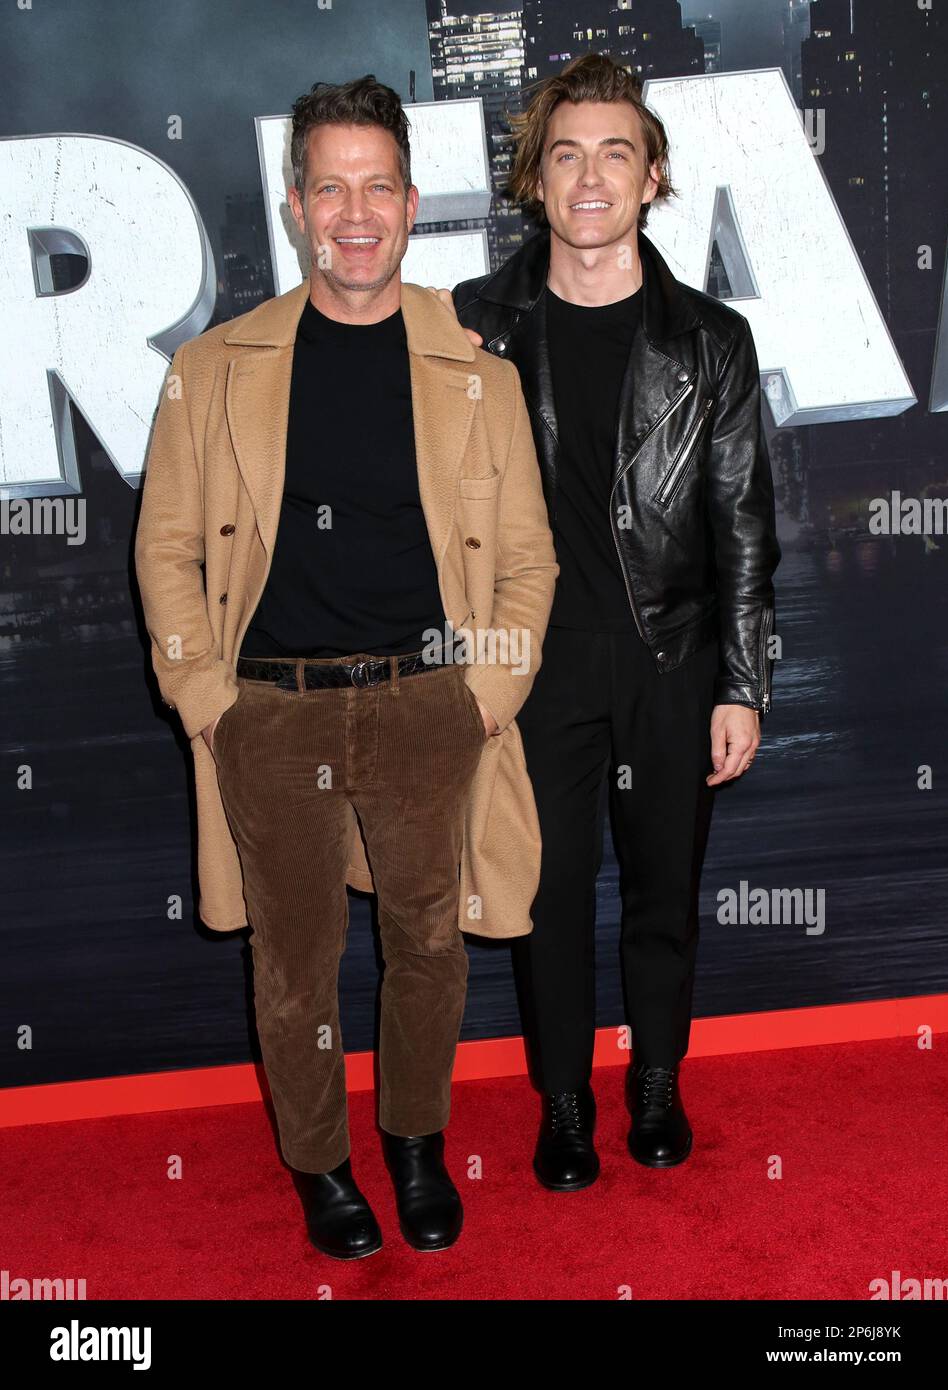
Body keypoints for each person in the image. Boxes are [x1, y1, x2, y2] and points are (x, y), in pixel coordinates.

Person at [134, 75, 557, 1256]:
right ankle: (323, 1166)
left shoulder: (479, 376)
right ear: (296, 205)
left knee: (429, 946)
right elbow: (165, 549)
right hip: (272, 715)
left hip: (433, 705)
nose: (356, 213)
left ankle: (417, 1143)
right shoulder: (213, 371)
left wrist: (486, 699)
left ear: (413, 204)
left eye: (379, 187)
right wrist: (209, 704)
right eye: (333, 187)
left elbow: (529, 561)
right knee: (294, 970)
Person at [442, 54, 781, 1189]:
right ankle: (566, 1102)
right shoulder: (475, 327)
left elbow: (743, 526)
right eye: (566, 154)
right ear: (536, 179)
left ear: (652, 178)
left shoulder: (708, 341)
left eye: (615, 153)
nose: (590, 178)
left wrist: (744, 685)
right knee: (544, 899)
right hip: (534, 665)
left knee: (664, 891)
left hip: (671, 661)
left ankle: (656, 1081)